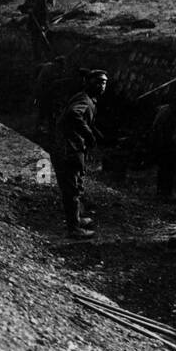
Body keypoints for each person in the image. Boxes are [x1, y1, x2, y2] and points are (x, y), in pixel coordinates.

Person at [50, 70, 109, 238]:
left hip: (72, 147)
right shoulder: (83, 99)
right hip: (68, 149)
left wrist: (95, 132)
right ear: (88, 82)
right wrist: (89, 134)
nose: (102, 86)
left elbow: (80, 118)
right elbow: (73, 114)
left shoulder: (87, 99)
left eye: (104, 83)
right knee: (72, 188)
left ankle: (76, 218)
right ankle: (74, 228)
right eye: (98, 82)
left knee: (77, 183)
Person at [145, 94, 176, 200]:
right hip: (163, 144)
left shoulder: (165, 109)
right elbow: (166, 134)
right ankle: (166, 194)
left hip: (159, 143)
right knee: (168, 168)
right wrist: (175, 148)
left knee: (164, 168)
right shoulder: (169, 114)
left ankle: (162, 192)